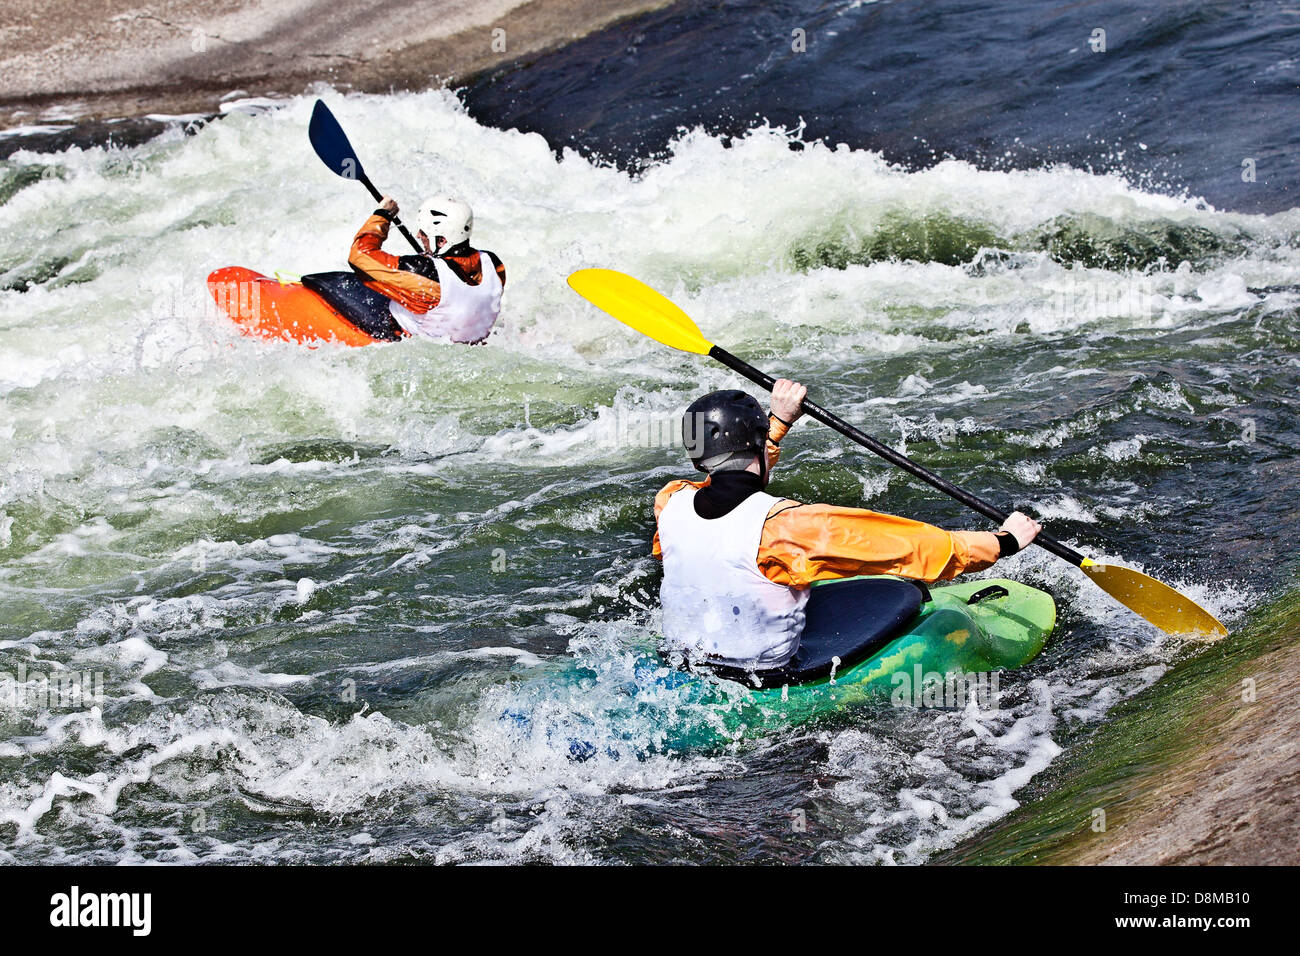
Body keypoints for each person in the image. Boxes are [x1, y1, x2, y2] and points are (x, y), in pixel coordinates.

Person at [652, 380, 1042, 671]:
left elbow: (730, 484)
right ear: (754, 445)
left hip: (690, 663)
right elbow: (911, 547)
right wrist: (1003, 542)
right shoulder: (789, 526)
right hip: (765, 673)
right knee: (903, 588)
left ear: (697, 458)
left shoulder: (670, 502)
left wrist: (778, 423)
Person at [347, 195, 505, 344]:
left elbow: (359, 256)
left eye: (423, 233)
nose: (418, 235)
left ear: (442, 241)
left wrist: (383, 215)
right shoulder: (493, 264)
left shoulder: (426, 274)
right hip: (469, 346)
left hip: (407, 341)